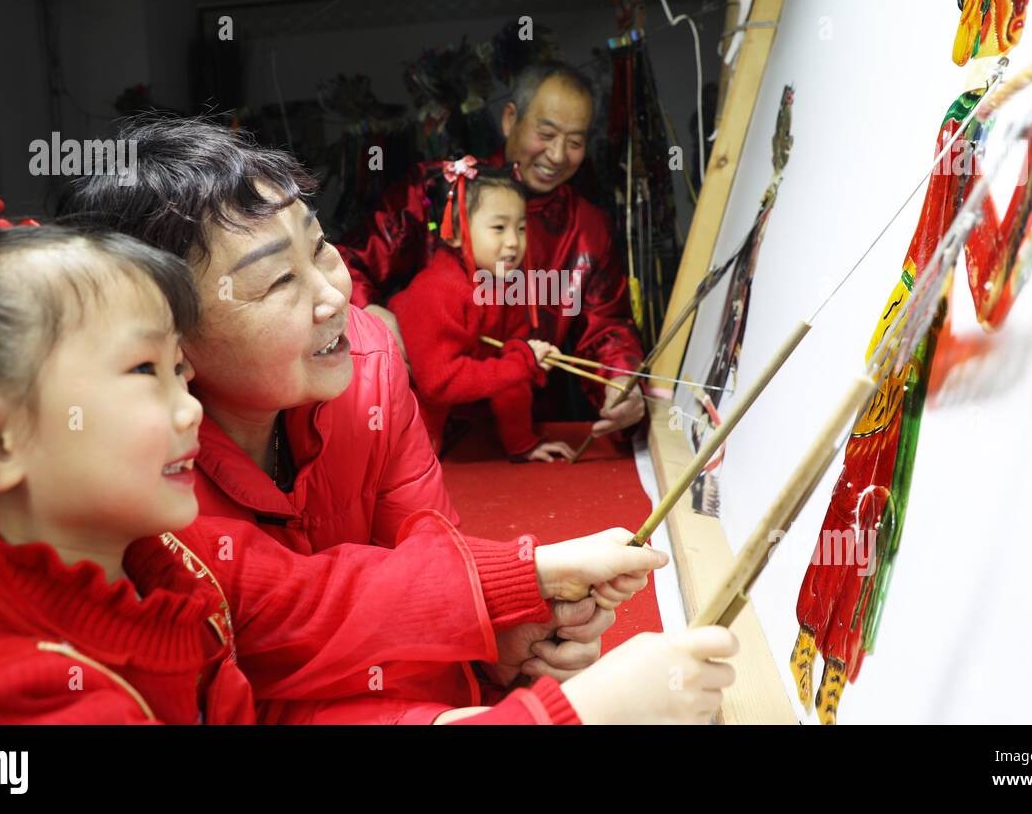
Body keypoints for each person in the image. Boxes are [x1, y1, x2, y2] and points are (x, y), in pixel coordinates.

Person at [0, 180, 739, 724]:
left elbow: (329, 600)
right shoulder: (8, 700)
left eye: (320, 247)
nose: (185, 409)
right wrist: (565, 715)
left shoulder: (159, 563)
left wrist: (516, 605)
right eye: (147, 370)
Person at [57, 117, 612, 714]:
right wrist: (518, 594)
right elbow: (260, 654)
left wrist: (489, 647)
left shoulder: (368, 363)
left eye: (320, 246)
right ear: (165, 337)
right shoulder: (141, 474)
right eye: (277, 281)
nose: (334, 295)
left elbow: (423, 561)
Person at [341, 61, 647, 438]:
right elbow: (344, 260)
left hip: (524, 426)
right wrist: (369, 313)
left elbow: (607, 328)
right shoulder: (442, 191)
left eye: (575, 142)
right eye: (546, 133)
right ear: (509, 120)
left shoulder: (588, 227)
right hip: (422, 422)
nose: (556, 155)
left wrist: (621, 381)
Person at [391, 163, 574, 462]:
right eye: (499, 228)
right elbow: (440, 383)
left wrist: (522, 443)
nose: (514, 241)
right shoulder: (437, 290)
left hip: (449, 435)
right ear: (455, 232)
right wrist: (521, 362)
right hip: (399, 431)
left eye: (521, 227)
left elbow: (511, 372)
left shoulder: (505, 287)